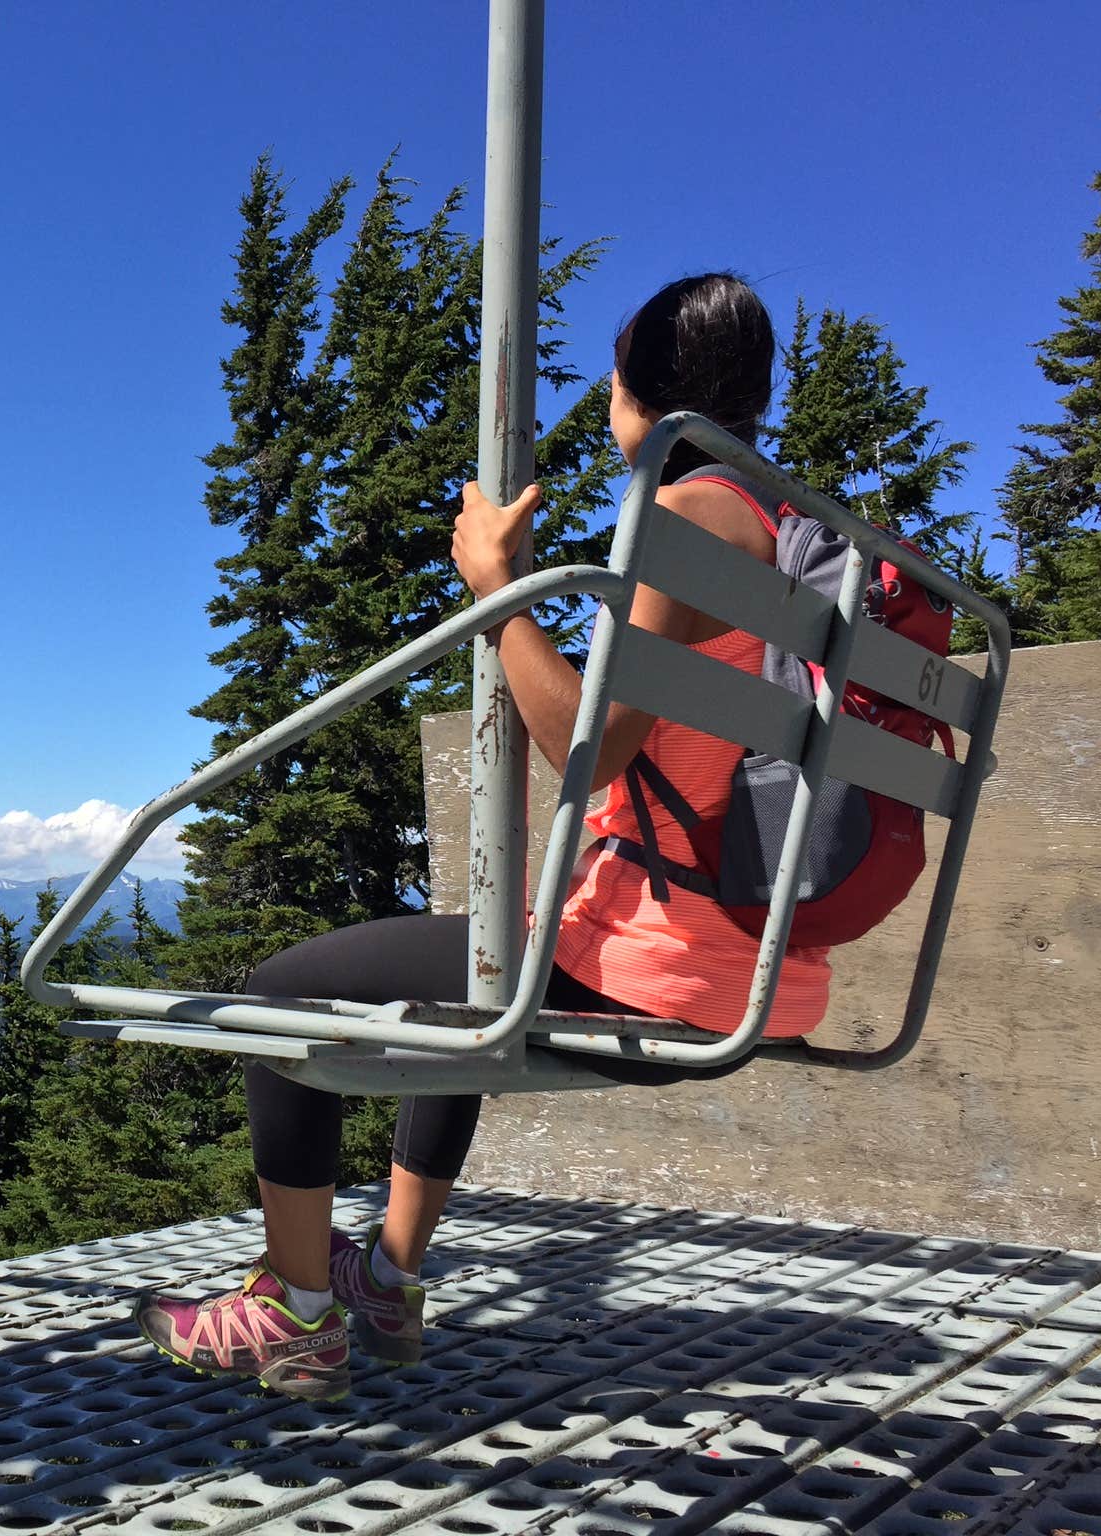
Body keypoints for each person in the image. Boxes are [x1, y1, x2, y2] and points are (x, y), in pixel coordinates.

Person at [135, 272, 832, 1402]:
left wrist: (495, 588)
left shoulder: (681, 519)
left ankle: (293, 1311)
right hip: (751, 961)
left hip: (659, 964)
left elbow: (587, 744)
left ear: (632, 392)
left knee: (273, 996)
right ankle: (388, 1281)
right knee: (470, 967)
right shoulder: (787, 530)